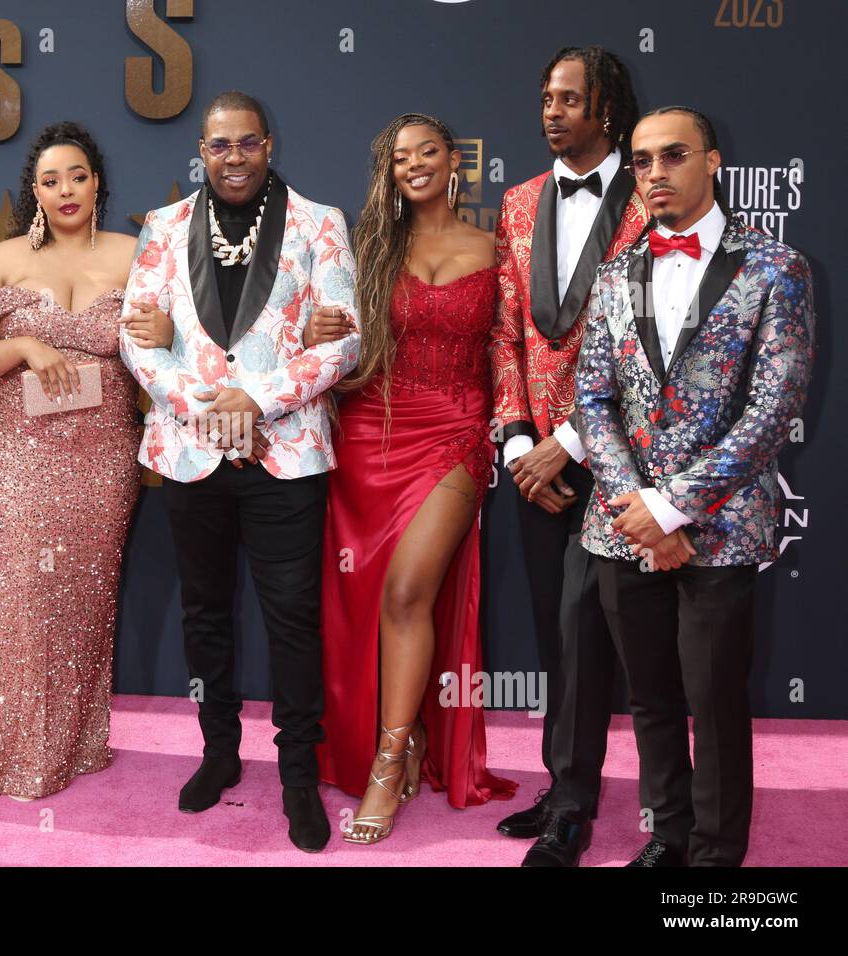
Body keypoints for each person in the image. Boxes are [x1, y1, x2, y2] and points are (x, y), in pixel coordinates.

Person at [120, 90, 360, 853]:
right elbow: (136, 338)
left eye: (247, 143)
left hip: (283, 454)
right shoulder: (162, 227)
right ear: (202, 148)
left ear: (269, 144)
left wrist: (252, 398)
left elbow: (342, 341)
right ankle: (219, 752)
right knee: (206, 613)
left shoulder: (321, 223)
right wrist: (205, 405)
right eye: (219, 145)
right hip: (191, 453)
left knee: (292, 620)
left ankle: (297, 774)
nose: (232, 157)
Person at [576, 107, 814, 867]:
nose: (654, 174)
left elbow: (775, 406)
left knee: (714, 704)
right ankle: (667, 835)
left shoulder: (776, 267)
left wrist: (673, 506)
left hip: (722, 525)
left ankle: (714, 858)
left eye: (671, 156)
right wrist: (636, 506)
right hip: (623, 527)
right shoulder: (615, 275)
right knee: (650, 700)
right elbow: (592, 400)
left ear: (712, 162)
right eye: (641, 161)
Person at [0, 122, 168, 800]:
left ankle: (69, 742)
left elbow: (167, 343)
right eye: (51, 179)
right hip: (20, 457)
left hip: (103, 457)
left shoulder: (135, 252)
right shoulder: (7, 256)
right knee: (18, 595)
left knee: (83, 602)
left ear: (98, 184)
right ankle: (3, 749)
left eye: (79, 176)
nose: (66, 190)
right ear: (34, 191)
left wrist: (166, 330)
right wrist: (26, 349)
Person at [308, 114, 517, 844]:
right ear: (390, 173)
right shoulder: (368, 247)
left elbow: (514, 350)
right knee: (364, 598)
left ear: (454, 162)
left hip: (455, 434)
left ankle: (389, 763)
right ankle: (403, 735)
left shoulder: (497, 248)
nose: (415, 164)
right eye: (401, 158)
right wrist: (315, 336)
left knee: (406, 591)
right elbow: (324, 333)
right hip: (368, 430)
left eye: (428, 151)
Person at [489, 46, 647, 865]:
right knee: (558, 635)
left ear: (605, 111)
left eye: (569, 100)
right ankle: (565, 782)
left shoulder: (650, 199)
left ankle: (574, 811)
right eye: (546, 97)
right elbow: (506, 328)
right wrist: (518, 438)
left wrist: (571, 445)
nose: (551, 112)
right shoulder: (518, 201)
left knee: (591, 631)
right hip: (532, 463)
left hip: (617, 455)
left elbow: (650, 342)